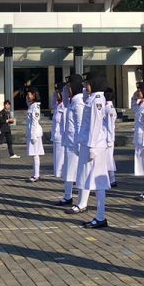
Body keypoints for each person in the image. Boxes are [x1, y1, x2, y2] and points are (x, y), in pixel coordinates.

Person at [70, 73, 109, 227]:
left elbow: (95, 124)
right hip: (89, 143)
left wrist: (92, 146)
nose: (85, 87)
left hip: (95, 145)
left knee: (99, 181)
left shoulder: (98, 100)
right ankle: (99, 216)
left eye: (88, 84)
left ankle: (101, 217)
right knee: (90, 180)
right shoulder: (92, 99)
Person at [55, 75, 84, 205]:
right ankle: (67, 196)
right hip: (69, 141)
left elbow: (79, 125)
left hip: (75, 143)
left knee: (78, 173)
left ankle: (80, 201)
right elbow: (65, 103)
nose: (68, 89)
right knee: (68, 170)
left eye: (70, 86)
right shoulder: (72, 101)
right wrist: (65, 90)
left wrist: (79, 144)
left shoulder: (79, 102)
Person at [24, 88, 45, 181]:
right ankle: (35, 174)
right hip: (32, 132)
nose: (28, 96)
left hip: (35, 133)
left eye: (30, 94)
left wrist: (32, 135)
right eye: (27, 94)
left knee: (35, 155)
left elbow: (34, 122)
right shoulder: (31, 105)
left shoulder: (35, 106)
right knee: (34, 155)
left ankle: (36, 175)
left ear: (34, 95)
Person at [103, 87, 118, 188]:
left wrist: (109, 140)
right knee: (106, 159)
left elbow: (110, 126)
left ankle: (112, 179)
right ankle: (110, 178)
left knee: (108, 159)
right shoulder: (106, 107)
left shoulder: (109, 108)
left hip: (107, 137)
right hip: (105, 136)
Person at [51, 85, 66, 179]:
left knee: (60, 156)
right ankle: (57, 173)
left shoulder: (64, 106)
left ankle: (60, 173)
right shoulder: (57, 105)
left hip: (61, 135)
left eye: (58, 93)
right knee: (56, 156)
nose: (56, 94)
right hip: (56, 134)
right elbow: (53, 102)